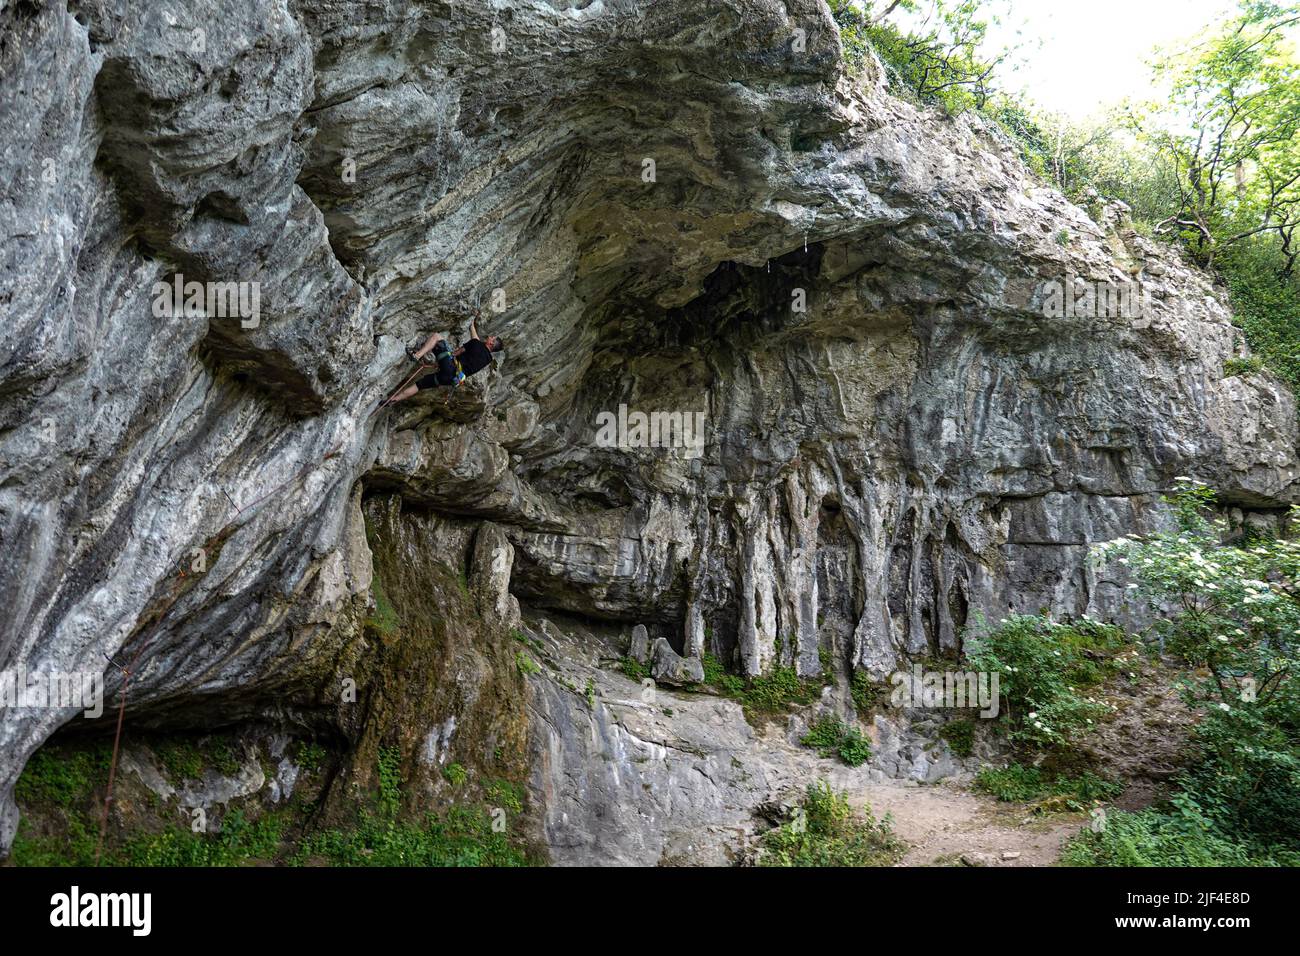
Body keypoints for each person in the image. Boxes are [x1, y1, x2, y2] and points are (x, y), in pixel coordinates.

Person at [383, 314, 503, 405]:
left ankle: (417, 355)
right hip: (451, 379)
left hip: (450, 366)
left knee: (436, 337)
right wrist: (472, 321)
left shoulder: (476, 344)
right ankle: (392, 400)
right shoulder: (487, 359)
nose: (490, 337)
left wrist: (444, 360)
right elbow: (475, 339)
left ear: (491, 343)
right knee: (419, 386)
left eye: (492, 338)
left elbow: (456, 353)